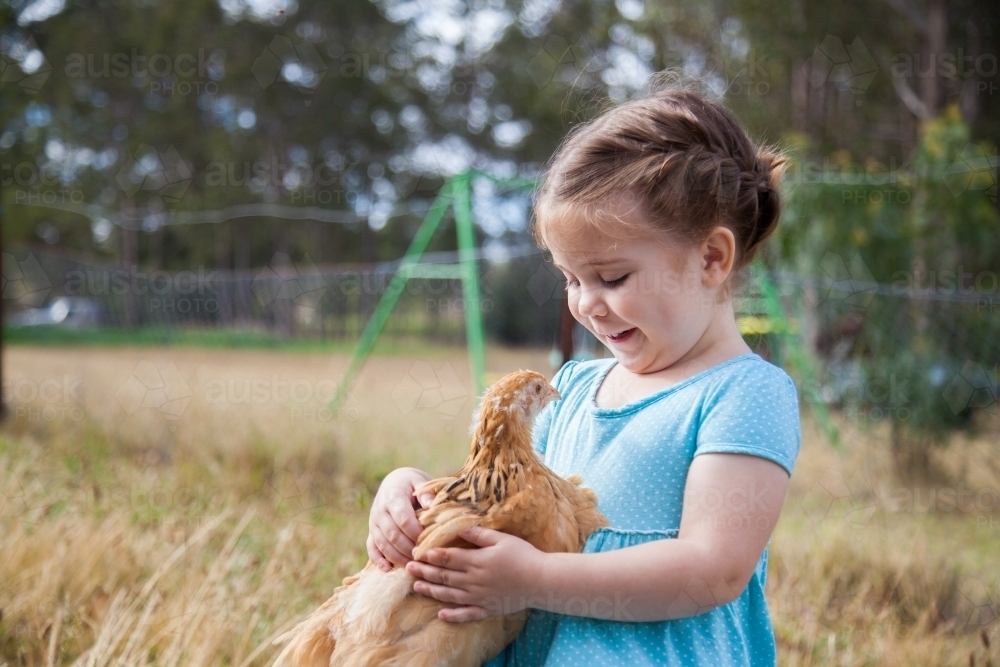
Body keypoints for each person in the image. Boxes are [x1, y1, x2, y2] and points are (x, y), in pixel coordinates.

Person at [367, 77, 802, 666]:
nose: (585, 304)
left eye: (612, 277)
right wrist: (414, 494)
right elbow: (508, 501)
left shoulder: (745, 394)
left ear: (711, 258)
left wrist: (539, 579)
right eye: (571, 278)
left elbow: (713, 569)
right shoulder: (571, 388)